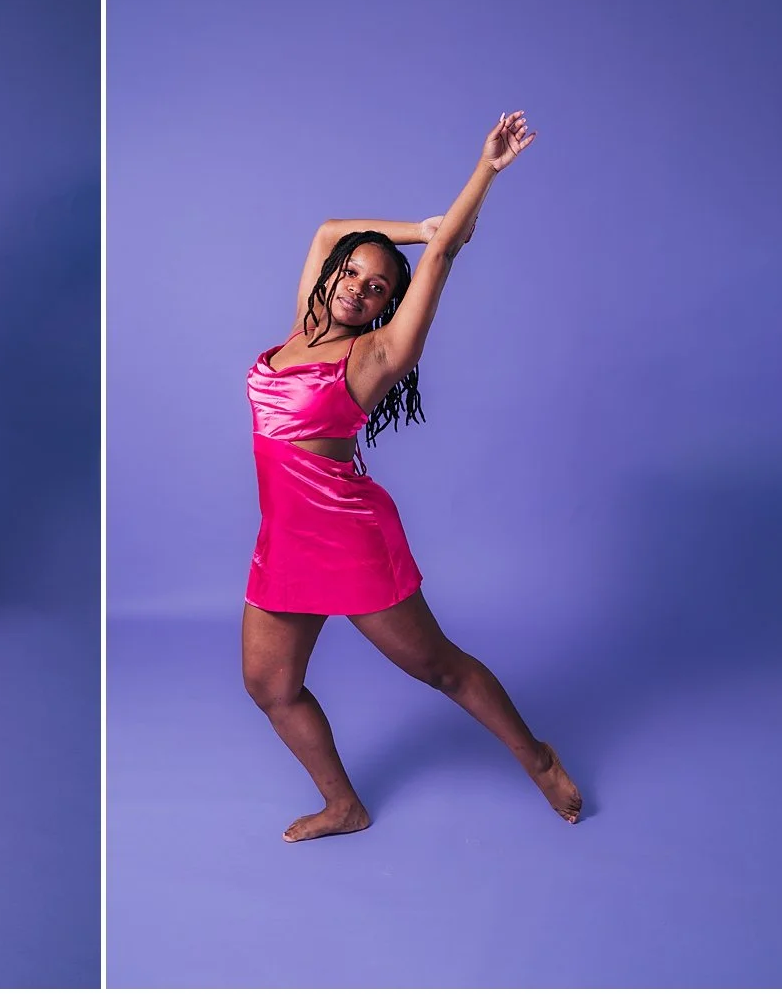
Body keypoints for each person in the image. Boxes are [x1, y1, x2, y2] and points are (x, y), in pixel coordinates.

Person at [242, 110, 581, 840]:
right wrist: (413, 228)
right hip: (284, 541)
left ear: (386, 309)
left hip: (348, 537)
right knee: (271, 686)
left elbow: (444, 257)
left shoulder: (375, 355)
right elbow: (333, 228)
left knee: (441, 669)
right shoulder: (300, 332)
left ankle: (538, 757)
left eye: (376, 287)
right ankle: (345, 804)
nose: (358, 287)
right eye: (354, 274)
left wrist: (478, 179)